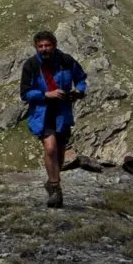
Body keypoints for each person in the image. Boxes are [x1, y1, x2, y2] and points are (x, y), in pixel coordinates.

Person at [20, 30, 101, 207]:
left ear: (54, 45)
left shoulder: (66, 61)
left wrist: (79, 90)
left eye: (47, 45)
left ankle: (52, 182)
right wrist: (46, 94)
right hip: (43, 112)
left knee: (61, 151)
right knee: (50, 147)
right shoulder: (31, 65)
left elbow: (81, 78)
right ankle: (55, 188)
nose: (44, 49)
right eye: (40, 46)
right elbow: (25, 93)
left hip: (62, 112)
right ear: (36, 47)